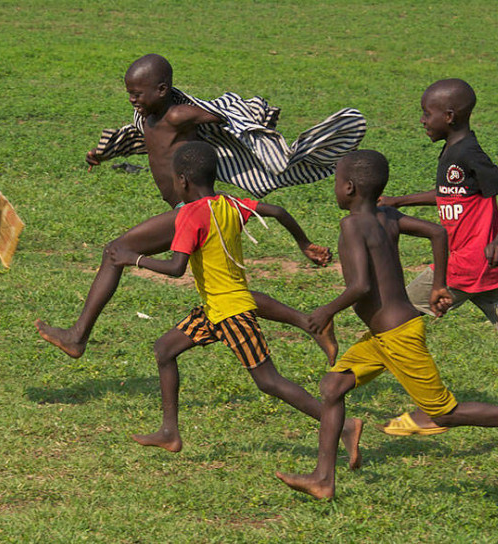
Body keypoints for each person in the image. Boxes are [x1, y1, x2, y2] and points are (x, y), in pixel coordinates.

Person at [36, 54, 366, 361]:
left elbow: (223, 117)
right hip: (194, 207)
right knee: (229, 294)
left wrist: (252, 119)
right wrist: (105, 153)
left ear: (163, 90)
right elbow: (152, 145)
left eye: (138, 93)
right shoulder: (147, 115)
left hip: (190, 209)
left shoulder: (179, 114)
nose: (132, 99)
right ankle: (311, 322)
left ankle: (78, 336)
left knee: (115, 251)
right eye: (129, 93)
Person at [275, 149, 498, 500]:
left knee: (445, 413)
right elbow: (437, 232)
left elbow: (360, 286)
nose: (336, 190)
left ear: (350, 188)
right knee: (332, 388)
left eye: (338, 183)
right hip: (384, 335)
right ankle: (323, 479)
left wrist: (326, 311)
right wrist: (438, 284)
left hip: (397, 336)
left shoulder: (351, 225)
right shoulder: (388, 216)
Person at [107, 141, 363, 460]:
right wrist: (304, 243)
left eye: (174, 179)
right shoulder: (229, 204)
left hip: (230, 312)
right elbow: (278, 211)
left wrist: (135, 258)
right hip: (214, 310)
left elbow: (176, 268)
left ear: (183, 180)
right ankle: (169, 433)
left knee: (269, 381)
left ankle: (345, 426)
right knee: (164, 349)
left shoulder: (189, 215)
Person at [378, 78, 498, 436]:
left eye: (427, 113)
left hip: (467, 265)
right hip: (488, 270)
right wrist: (399, 201)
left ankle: (425, 407)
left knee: (393, 318)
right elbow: (449, 194)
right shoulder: (455, 151)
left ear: (450, 116)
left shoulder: (469, 152)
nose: (423, 120)